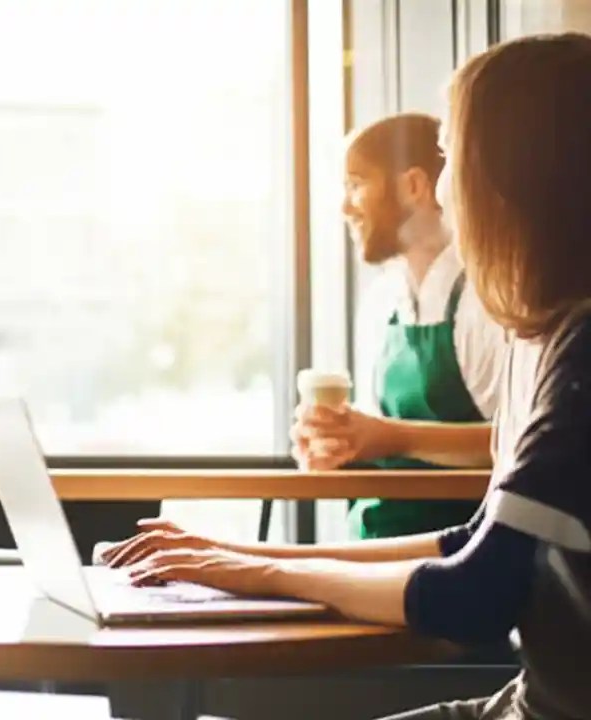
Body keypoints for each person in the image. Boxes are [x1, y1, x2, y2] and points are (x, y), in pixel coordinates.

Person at [103, 32, 591, 719]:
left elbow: (475, 591)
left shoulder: (580, 350)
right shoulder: (547, 333)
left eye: (450, 156)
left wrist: (263, 572)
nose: (446, 189)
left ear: (513, 175)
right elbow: (474, 537)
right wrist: (233, 553)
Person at [292, 112, 508, 540]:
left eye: (357, 185)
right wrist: (340, 447)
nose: (345, 206)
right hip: (373, 550)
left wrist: (387, 437)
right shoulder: (383, 301)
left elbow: (516, 445)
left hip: (458, 557)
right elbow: (382, 443)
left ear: (414, 187)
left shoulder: (485, 301)